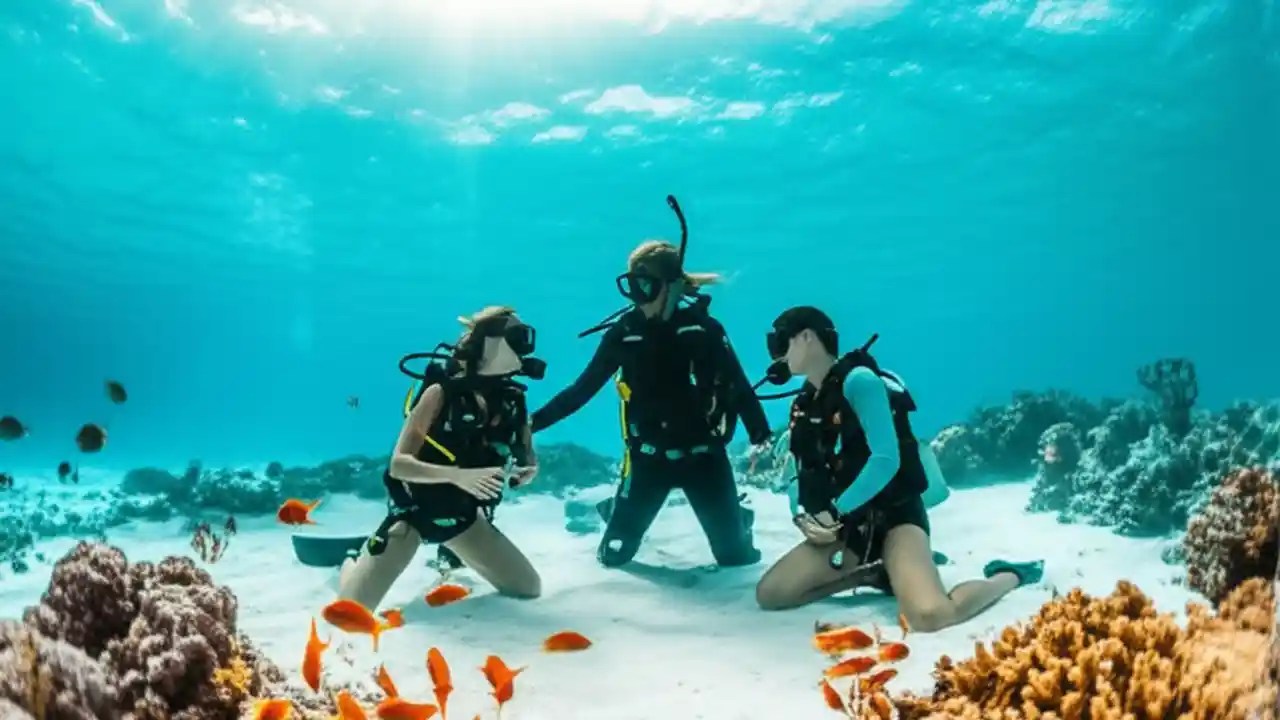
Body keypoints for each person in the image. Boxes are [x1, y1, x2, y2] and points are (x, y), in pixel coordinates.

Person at [753, 306, 1043, 632]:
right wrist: (804, 516)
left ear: (807, 337)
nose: (776, 354)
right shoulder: (805, 403)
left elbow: (885, 460)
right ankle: (874, 573)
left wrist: (836, 511)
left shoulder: (860, 382)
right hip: (849, 528)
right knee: (772, 594)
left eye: (781, 342)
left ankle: (1008, 576)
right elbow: (798, 467)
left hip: (896, 520)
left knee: (930, 616)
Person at [531, 198, 774, 568]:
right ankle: (618, 507)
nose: (637, 298)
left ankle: (739, 520)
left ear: (672, 285)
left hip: (704, 457)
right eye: (631, 286)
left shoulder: (703, 330)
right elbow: (582, 390)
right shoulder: (623, 334)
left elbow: (737, 385)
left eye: (645, 286)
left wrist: (761, 435)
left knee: (736, 558)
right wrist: (531, 424)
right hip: (647, 460)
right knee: (612, 557)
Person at [338, 306, 544, 609]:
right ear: (489, 344)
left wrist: (529, 471)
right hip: (414, 516)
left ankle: (451, 555)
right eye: (518, 336)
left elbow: (528, 456)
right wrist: (458, 475)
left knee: (528, 588)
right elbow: (399, 465)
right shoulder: (440, 392)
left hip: (465, 518)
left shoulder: (514, 400)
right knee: (351, 610)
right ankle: (350, 560)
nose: (526, 345)